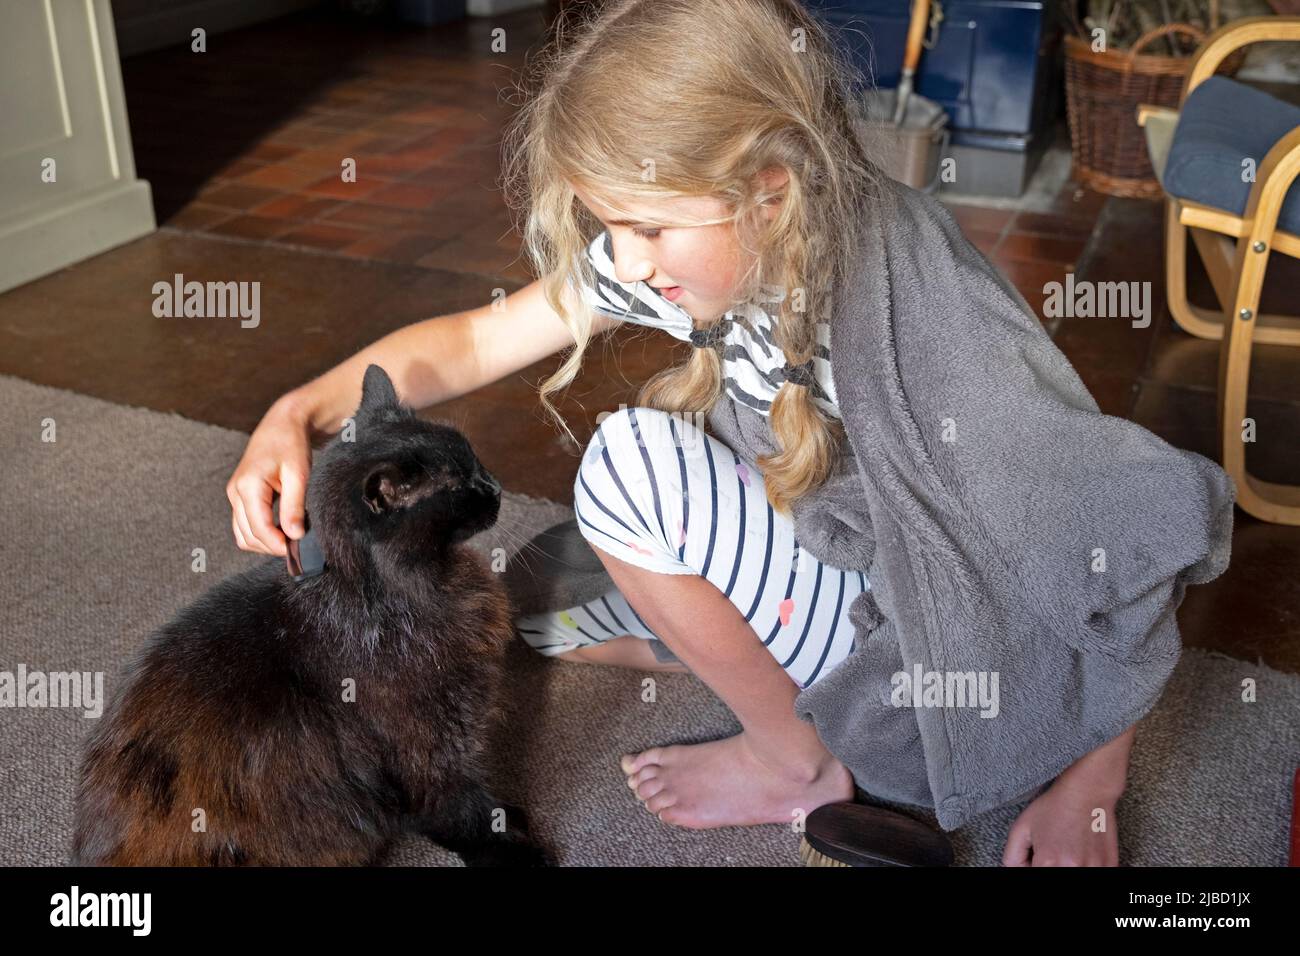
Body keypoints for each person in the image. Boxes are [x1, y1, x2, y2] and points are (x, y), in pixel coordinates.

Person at [228, 0, 1136, 864]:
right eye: (612, 227)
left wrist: (1094, 779)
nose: (623, 262)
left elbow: (1119, 532)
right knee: (536, 608)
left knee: (628, 475)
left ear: (767, 194)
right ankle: (708, 643)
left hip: (943, 650)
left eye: (647, 227)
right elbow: (474, 338)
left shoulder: (924, 314)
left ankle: (795, 760)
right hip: (864, 559)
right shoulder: (725, 236)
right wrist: (295, 411)